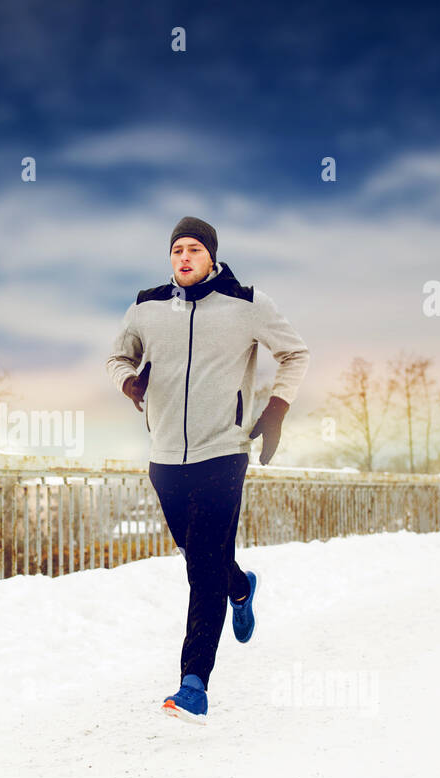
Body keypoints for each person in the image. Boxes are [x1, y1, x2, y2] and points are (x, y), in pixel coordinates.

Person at [105, 216, 310, 724]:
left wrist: (277, 407)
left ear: (211, 256)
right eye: (177, 250)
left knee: (200, 567)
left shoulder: (247, 303)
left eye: (194, 248)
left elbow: (296, 352)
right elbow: (116, 357)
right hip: (166, 455)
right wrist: (130, 384)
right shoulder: (146, 305)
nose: (184, 258)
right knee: (200, 554)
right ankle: (239, 586)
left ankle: (193, 683)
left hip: (224, 450)